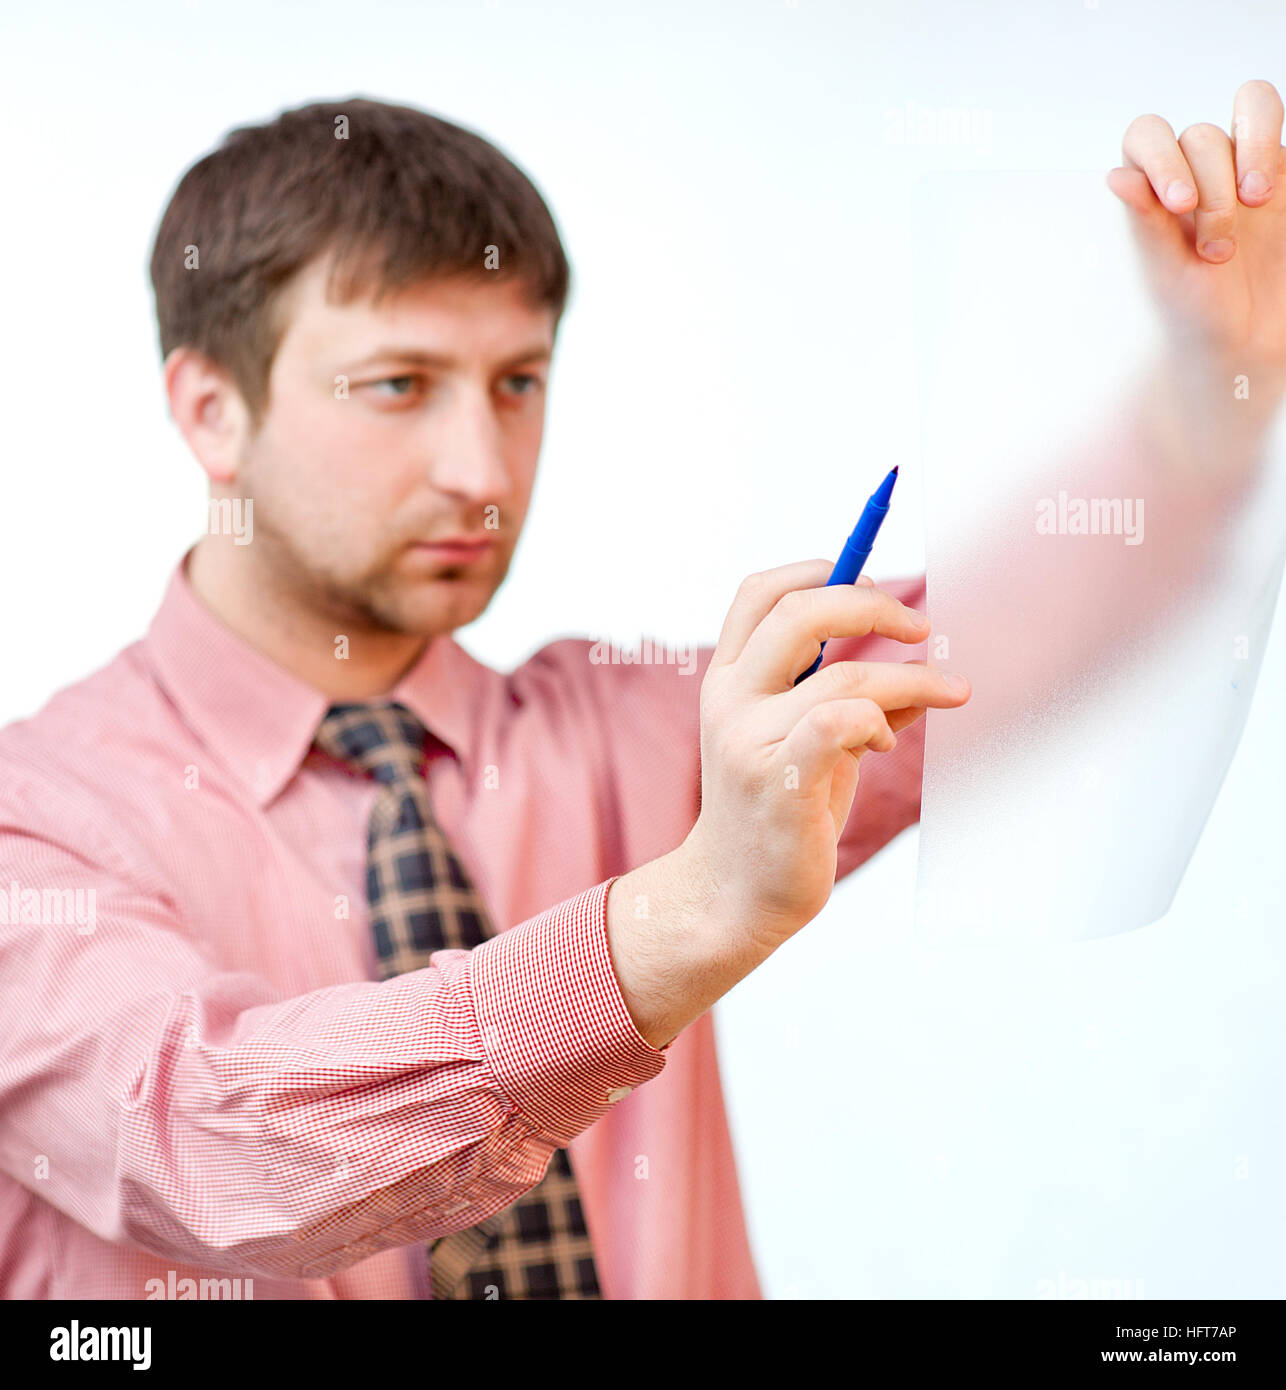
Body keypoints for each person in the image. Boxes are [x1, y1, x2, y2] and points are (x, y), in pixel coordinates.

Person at [1, 80, 1282, 1300]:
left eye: (518, 383)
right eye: (397, 385)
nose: (479, 466)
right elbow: (205, 1141)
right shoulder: (36, 826)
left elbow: (1010, 635)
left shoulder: (646, 736)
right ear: (210, 410)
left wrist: (1208, 394)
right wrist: (685, 914)